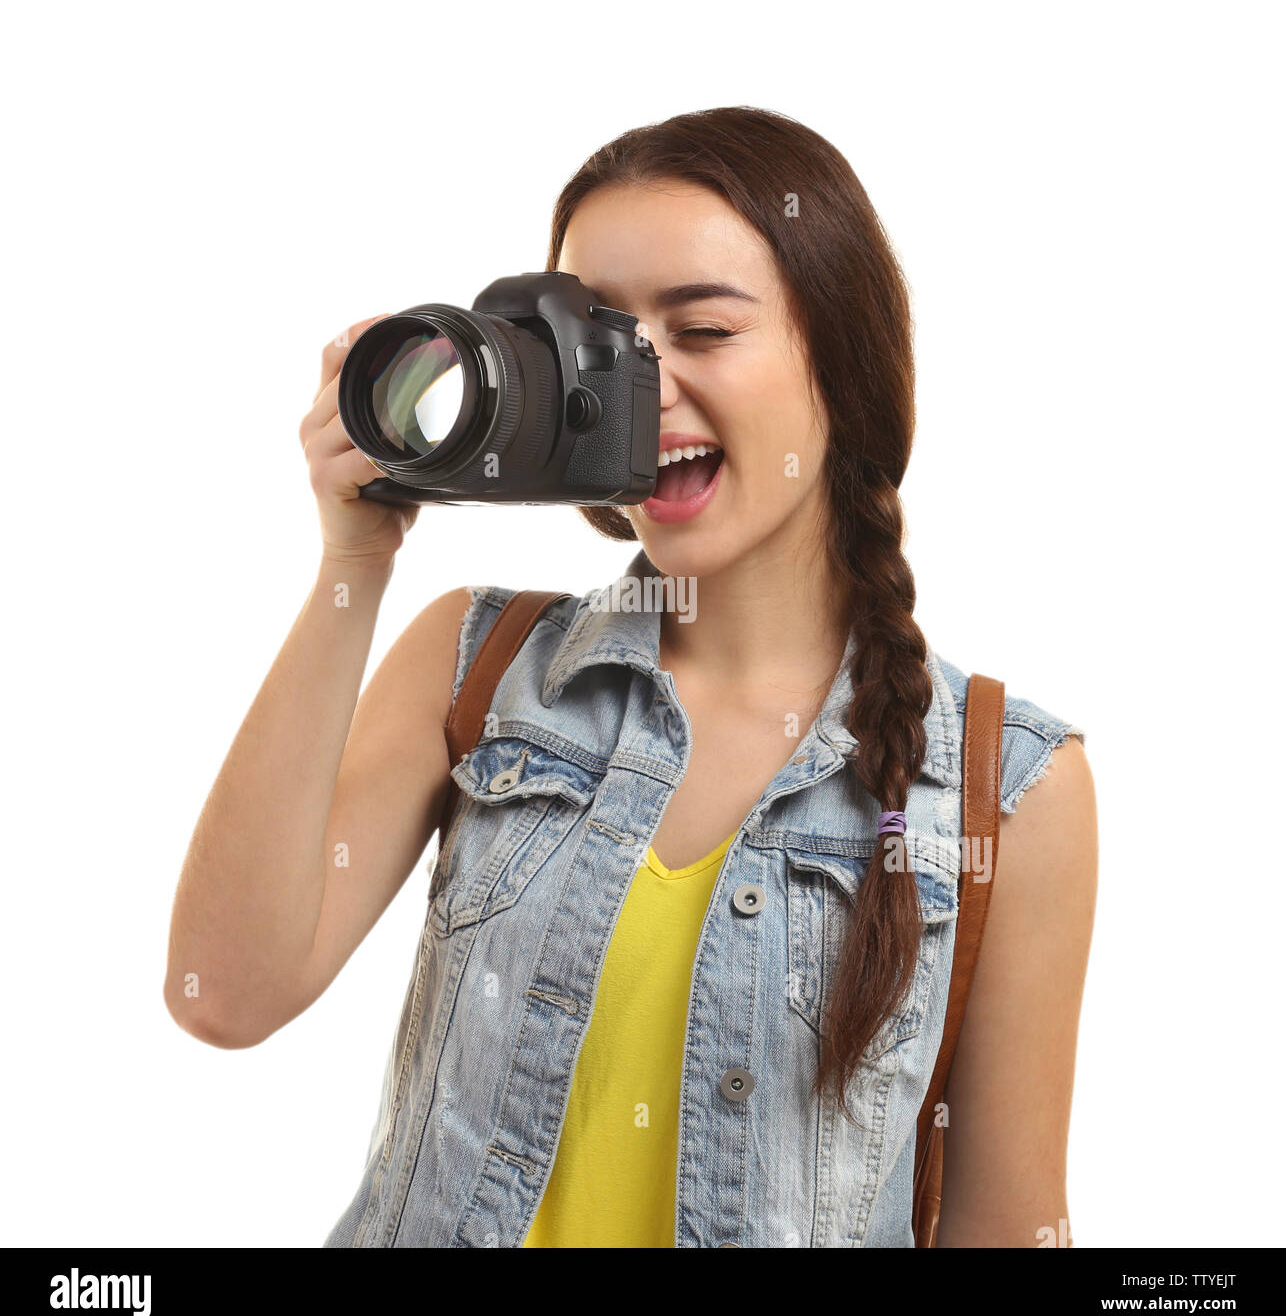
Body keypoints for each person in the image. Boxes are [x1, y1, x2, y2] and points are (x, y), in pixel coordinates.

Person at [165, 105, 1097, 1248]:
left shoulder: (1008, 784)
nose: (635, 390)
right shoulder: (478, 667)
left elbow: (1006, 1230)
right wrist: (355, 559)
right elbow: (223, 993)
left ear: (838, 366)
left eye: (701, 330)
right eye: (593, 342)